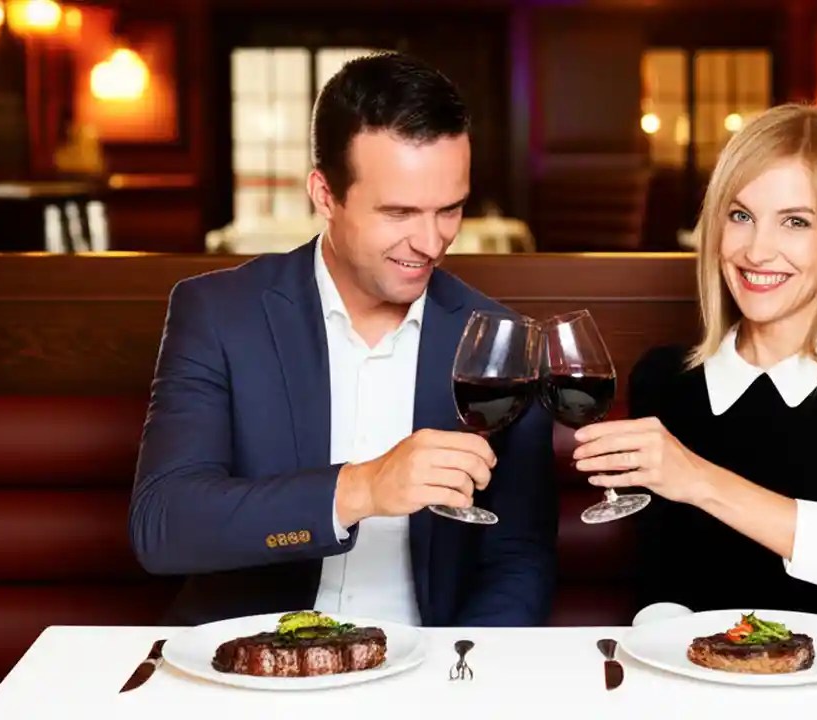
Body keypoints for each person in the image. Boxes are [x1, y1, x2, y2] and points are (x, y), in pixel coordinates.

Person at [130, 52, 557, 627]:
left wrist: (458, 679)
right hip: (255, 673)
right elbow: (163, 526)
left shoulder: (502, 340)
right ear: (325, 194)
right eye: (399, 212)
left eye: (450, 209)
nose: (430, 242)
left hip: (429, 680)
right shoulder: (218, 313)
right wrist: (359, 489)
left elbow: (519, 560)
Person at [572, 104, 817, 626]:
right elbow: (661, 579)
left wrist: (698, 480)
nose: (757, 250)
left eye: (795, 222)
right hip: (712, 680)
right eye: (740, 215)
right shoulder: (665, 380)